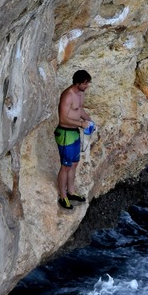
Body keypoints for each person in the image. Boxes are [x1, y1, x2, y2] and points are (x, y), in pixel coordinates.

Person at [54, 69, 93, 209]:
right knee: (65, 166)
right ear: (78, 83)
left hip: (74, 133)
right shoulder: (68, 95)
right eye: (85, 83)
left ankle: (71, 192)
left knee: (74, 163)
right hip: (65, 133)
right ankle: (63, 197)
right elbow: (63, 119)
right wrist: (81, 124)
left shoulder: (80, 93)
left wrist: (89, 120)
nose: (87, 86)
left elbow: (80, 110)